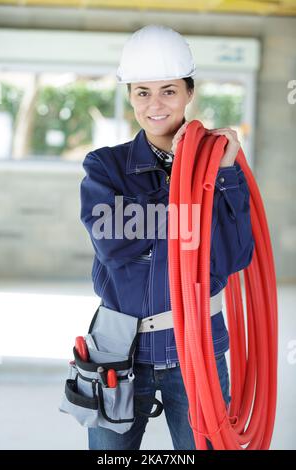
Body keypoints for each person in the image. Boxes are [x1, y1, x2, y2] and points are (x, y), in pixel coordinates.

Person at [80, 24, 254, 450]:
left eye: (169, 91)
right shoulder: (105, 166)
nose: (155, 105)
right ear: (130, 96)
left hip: (197, 346)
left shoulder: (223, 168)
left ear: (189, 92)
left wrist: (225, 174)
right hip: (119, 350)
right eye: (143, 92)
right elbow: (114, 242)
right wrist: (190, 188)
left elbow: (236, 256)